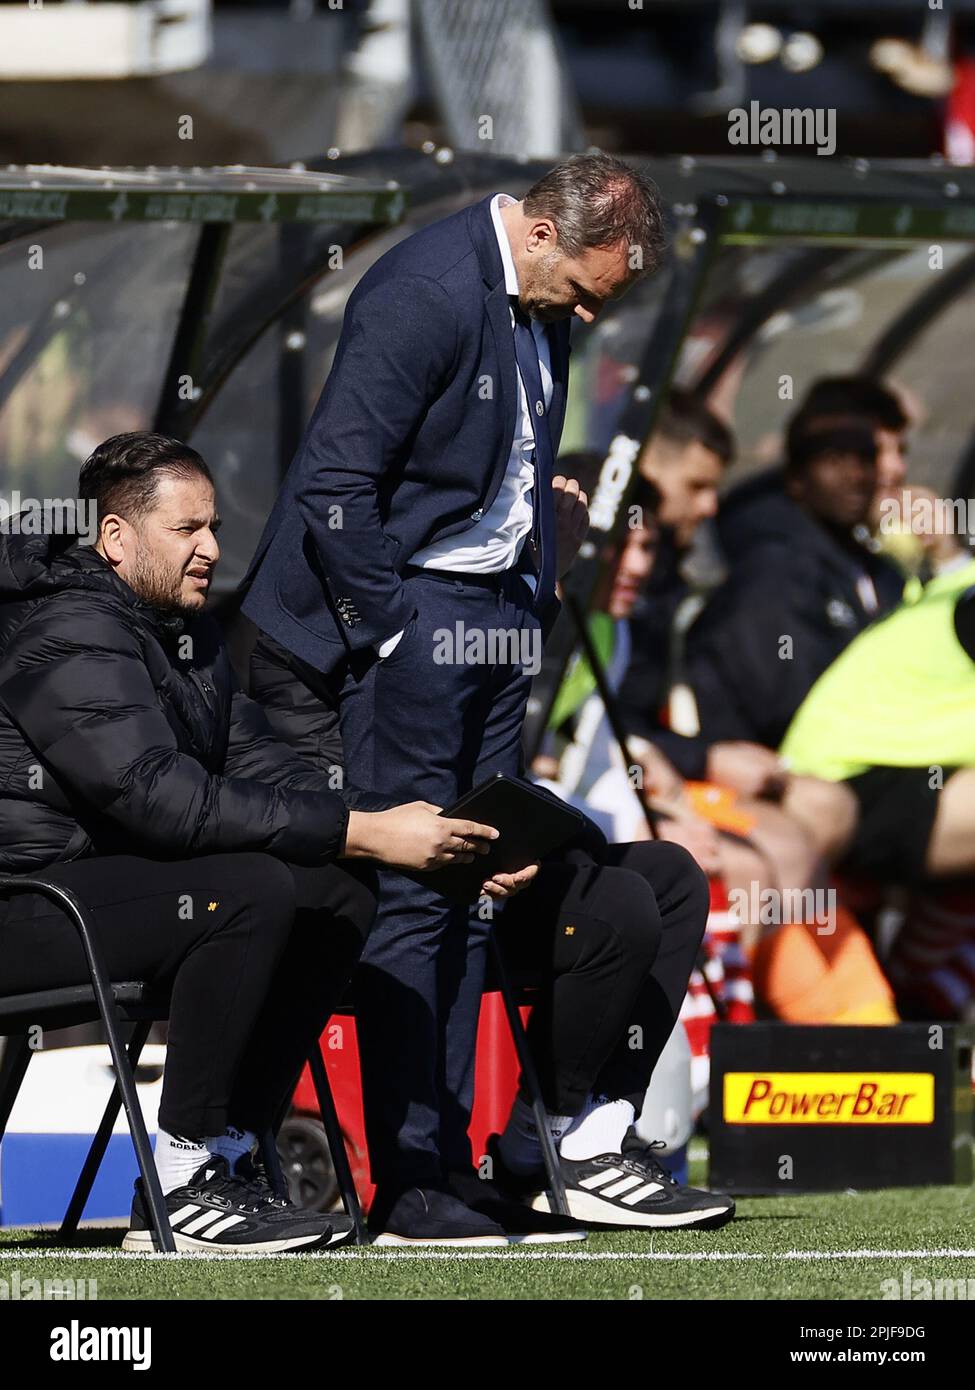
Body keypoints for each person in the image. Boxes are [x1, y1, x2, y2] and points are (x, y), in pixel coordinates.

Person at [240, 153, 667, 1243]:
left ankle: (458, 1162)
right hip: (414, 619)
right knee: (416, 888)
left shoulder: (539, 292)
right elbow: (335, 485)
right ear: (536, 234)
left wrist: (531, 571)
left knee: (477, 878)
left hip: (489, 614)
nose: (582, 313)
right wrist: (396, 634)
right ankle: (409, 1177)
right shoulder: (427, 291)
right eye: (581, 291)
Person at [0, 432, 506, 1253]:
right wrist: (362, 830)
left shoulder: (180, 634)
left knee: (335, 887)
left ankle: (230, 1154)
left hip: (106, 893)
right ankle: (182, 1175)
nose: (211, 549)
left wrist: (432, 833)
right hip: (29, 904)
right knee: (247, 888)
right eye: (188, 529)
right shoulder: (65, 630)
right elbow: (159, 800)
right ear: (117, 539)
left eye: (215, 527)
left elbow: (269, 768)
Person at [684, 414, 904, 754]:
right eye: (836, 460)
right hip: (778, 759)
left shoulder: (880, 570)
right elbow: (784, 703)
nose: (858, 475)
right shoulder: (774, 567)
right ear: (796, 481)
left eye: (866, 460)